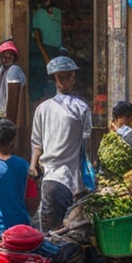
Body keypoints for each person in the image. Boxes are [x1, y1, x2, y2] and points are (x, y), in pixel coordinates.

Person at [30, 56, 92, 232]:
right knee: (72, 237)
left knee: (50, 236)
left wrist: (33, 165)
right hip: (73, 184)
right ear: (55, 79)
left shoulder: (43, 108)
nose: (65, 80)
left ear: (73, 77)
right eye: (61, 77)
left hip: (53, 181)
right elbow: (87, 147)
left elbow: (36, 144)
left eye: (67, 76)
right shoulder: (81, 108)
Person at [0, 40, 27, 119]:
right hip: (1, 111)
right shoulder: (2, 70)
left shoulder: (14, 70)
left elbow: (13, 100)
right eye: (5, 57)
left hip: (8, 115)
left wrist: (9, 120)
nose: (7, 59)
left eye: (10, 56)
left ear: (14, 57)